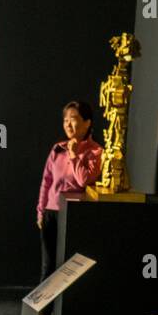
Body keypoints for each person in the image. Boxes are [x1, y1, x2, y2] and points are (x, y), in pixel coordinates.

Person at [36, 100, 102, 280]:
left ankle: (62, 308)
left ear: (87, 122)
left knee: (68, 267)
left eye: (73, 119)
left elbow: (84, 180)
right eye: (65, 120)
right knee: (48, 265)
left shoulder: (95, 151)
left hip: (73, 216)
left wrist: (73, 155)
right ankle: (44, 309)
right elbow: (46, 181)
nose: (68, 124)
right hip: (51, 213)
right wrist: (40, 211)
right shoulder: (57, 149)